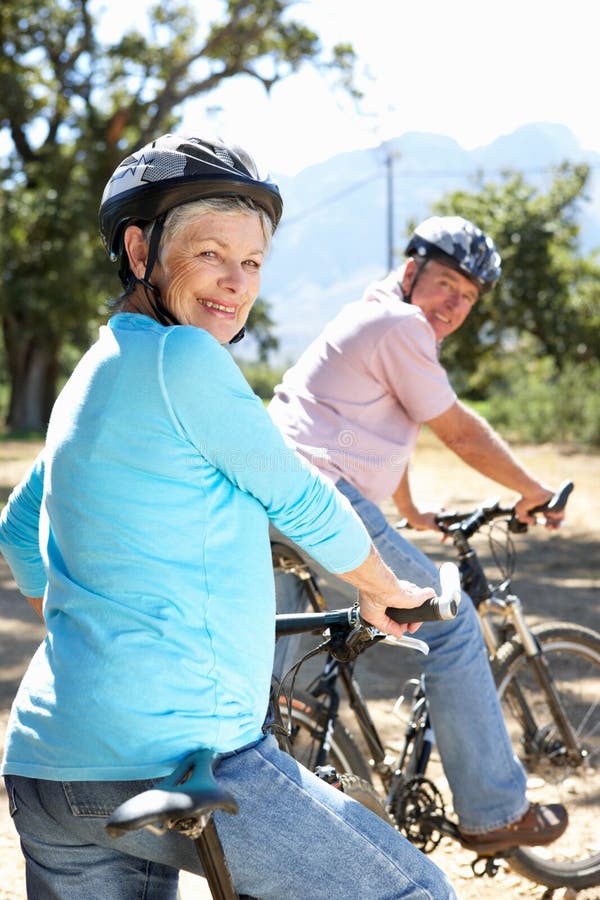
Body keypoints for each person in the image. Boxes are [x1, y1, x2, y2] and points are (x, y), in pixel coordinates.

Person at [0, 135, 457, 899]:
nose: (235, 283)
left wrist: (91, 630)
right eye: (211, 253)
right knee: (419, 893)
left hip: (49, 767)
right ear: (140, 248)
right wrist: (381, 587)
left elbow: (19, 529)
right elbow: (301, 497)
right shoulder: (184, 359)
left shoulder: (92, 376)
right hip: (179, 755)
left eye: (251, 264)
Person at [268, 215, 569, 853]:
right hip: (317, 495)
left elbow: (376, 425)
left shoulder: (378, 319)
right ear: (411, 272)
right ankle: (493, 813)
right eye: (446, 284)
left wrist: (413, 508)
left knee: (282, 677)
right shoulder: (401, 324)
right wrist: (532, 490)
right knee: (450, 621)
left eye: (468, 297)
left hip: (274, 494)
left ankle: (287, 801)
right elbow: (456, 429)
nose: (454, 305)